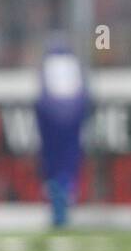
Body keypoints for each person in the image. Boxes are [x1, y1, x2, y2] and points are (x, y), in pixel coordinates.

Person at [34, 36, 91, 228]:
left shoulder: (48, 64)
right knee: (67, 164)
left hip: (52, 122)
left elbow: (41, 99)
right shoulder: (72, 64)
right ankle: (62, 202)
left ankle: (59, 205)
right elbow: (84, 96)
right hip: (71, 120)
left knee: (55, 165)